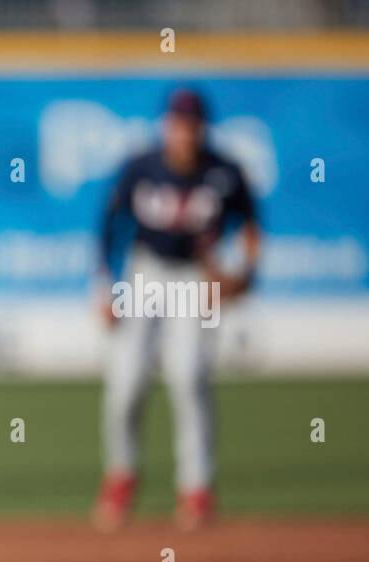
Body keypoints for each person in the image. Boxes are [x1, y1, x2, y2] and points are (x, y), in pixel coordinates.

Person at [92, 88, 261, 531]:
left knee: (188, 376)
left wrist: (243, 273)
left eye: (191, 124)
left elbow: (251, 225)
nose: (184, 132)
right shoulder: (143, 166)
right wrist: (105, 289)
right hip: (146, 272)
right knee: (126, 380)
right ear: (166, 125)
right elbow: (109, 225)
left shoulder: (223, 171)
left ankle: (196, 488)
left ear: (202, 128)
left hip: (194, 277)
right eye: (177, 123)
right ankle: (121, 476)